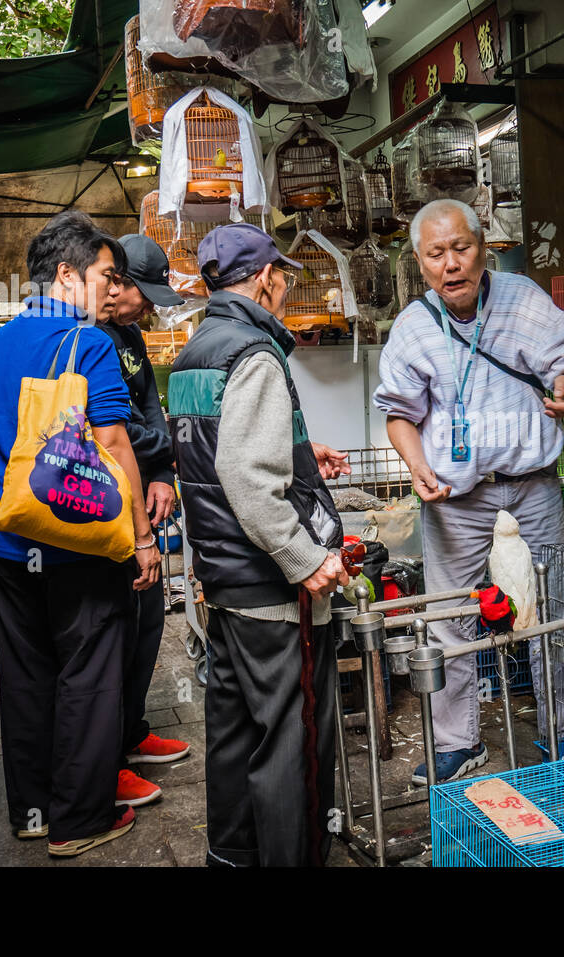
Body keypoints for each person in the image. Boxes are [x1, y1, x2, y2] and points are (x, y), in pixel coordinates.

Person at [372, 198, 564, 785]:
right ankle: (458, 742)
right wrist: (417, 462)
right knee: (451, 617)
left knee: (548, 609)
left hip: (532, 488)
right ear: (420, 263)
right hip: (456, 499)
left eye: (462, 248)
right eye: (436, 254)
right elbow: (398, 413)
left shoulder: (522, 297)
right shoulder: (414, 328)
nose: (451, 264)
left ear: (484, 249)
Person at [0, 211, 161, 857]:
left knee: (26, 673)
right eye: (107, 275)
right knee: (89, 672)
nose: (113, 288)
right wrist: (141, 538)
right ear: (68, 273)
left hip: (4, 538)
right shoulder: (91, 342)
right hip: (75, 542)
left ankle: (33, 811)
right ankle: (81, 818)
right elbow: (111, 440)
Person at [168, 223, 352, 867]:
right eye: (282, 274)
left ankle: (233, 857)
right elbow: (248, 479)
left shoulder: (197, 349)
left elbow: (209, 456)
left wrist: (301, 454)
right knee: (291, 740)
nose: (284, 285)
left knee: (234, 730)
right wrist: (307, 561)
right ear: (266, 277)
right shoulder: (255, 352)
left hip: (222, 577)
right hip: (268, 587)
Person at [99, 233, 192, 810]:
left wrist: (161, 470)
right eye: (145, 294)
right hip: (105, 503)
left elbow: (149, 407)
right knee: (112, 628)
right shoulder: (87, 337)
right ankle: (104, 758)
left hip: (145, 487)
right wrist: (166, 447)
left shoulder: (130, 335)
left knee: (148, 617)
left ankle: (131, 732)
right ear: (118, 283)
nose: (151, 307)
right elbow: (113, 427)